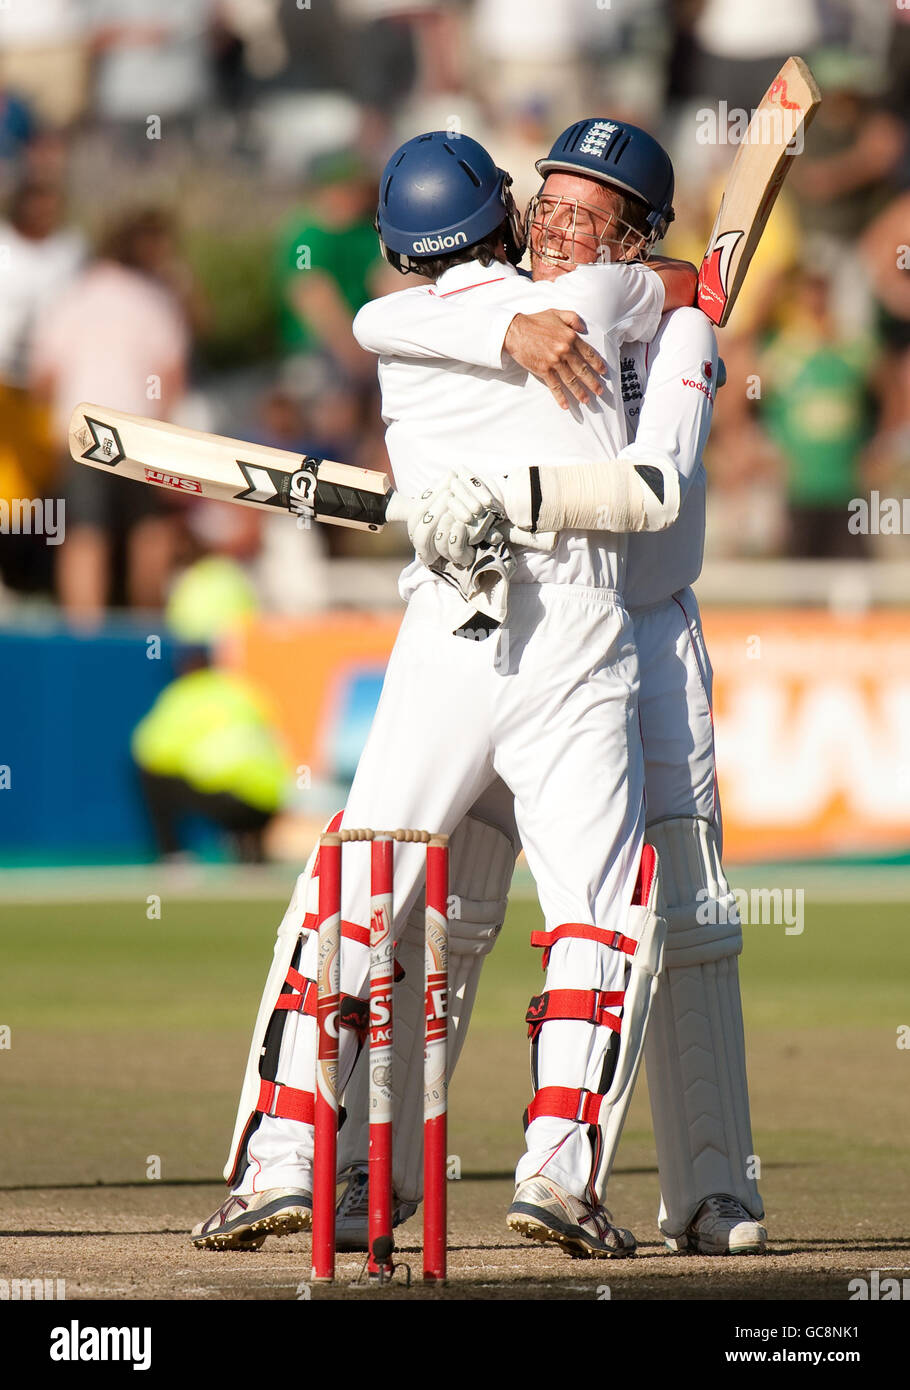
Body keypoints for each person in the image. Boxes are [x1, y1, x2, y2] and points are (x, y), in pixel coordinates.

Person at [192, 129, 697, 1257]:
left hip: (443, 629)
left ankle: (280, 1156)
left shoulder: (400, 331)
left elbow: (379, 314)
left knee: (352, 885)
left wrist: (505, 320)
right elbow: (658, 286)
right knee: (598, 907)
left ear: (393, 241)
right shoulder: (595, 295)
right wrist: (648, 298)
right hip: (570, 630)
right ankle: (558, 1174)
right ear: (505, 218)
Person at [337, 117, 768, 1257]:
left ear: (638, 234)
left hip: (640, 632)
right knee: (446, 913)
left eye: (595, 215)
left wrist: (682, 309)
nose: (563, 231)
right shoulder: (495, 306)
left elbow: (656, 486)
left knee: (681, 916)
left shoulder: (678, 329)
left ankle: (709, 1188)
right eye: (553, 206)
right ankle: (367, 1174)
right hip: (511, 622)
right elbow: (378, 316)